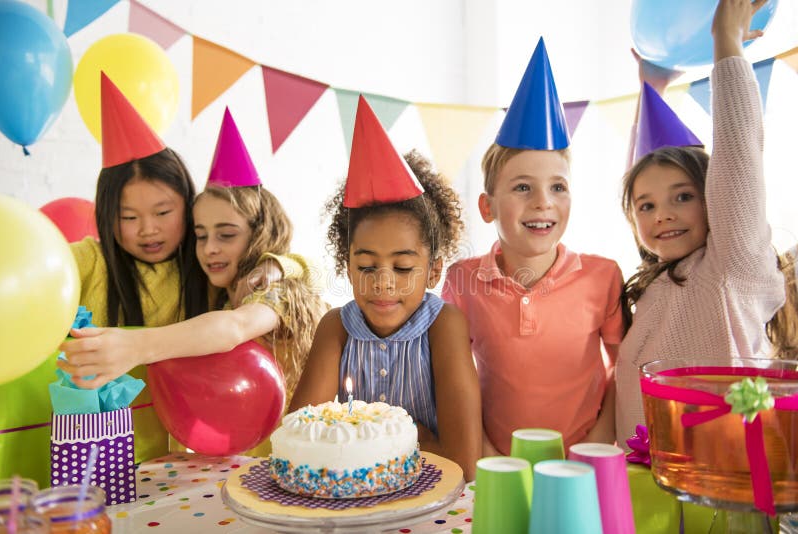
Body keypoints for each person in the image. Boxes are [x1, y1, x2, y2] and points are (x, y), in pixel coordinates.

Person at [59, 108, 326, 456]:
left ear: (261, 232)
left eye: (226, 235)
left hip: (295, 458)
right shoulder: (214, 282)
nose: (210, 248)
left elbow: (237, 325)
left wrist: (135, 346)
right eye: (201, 236)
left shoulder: (268, 288)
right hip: (226, 464)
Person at [615, 0, 787, 446]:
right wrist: (651, 87)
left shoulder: (730, 267)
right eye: (646, 207)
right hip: (648, 490)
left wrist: (725, 41)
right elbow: (642, 181)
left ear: (716, 201)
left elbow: (738, 155)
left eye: (684, 197)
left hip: (716, 487)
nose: (663, 214)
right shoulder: (656, 284)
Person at [442, 37, 624, 456]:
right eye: (522, 187)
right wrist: (483, 449)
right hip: (495, 461)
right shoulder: (463, 280)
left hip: (587, 459)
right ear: (487, 207)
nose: (543, 201)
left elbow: (621, 368)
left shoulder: (603, 277)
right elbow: (452, 373)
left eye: (557, 187)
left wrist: (599, 443)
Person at [289, 96, 481, 481]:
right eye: (366, 265)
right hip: (347, 503)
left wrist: (352, 438)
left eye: (404, 266)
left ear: (434, 271)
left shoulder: (444, 325)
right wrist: (418, 438)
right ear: (347, 265)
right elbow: (298, 442)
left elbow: (463, 463)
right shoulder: (336, 328)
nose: (383, 282)